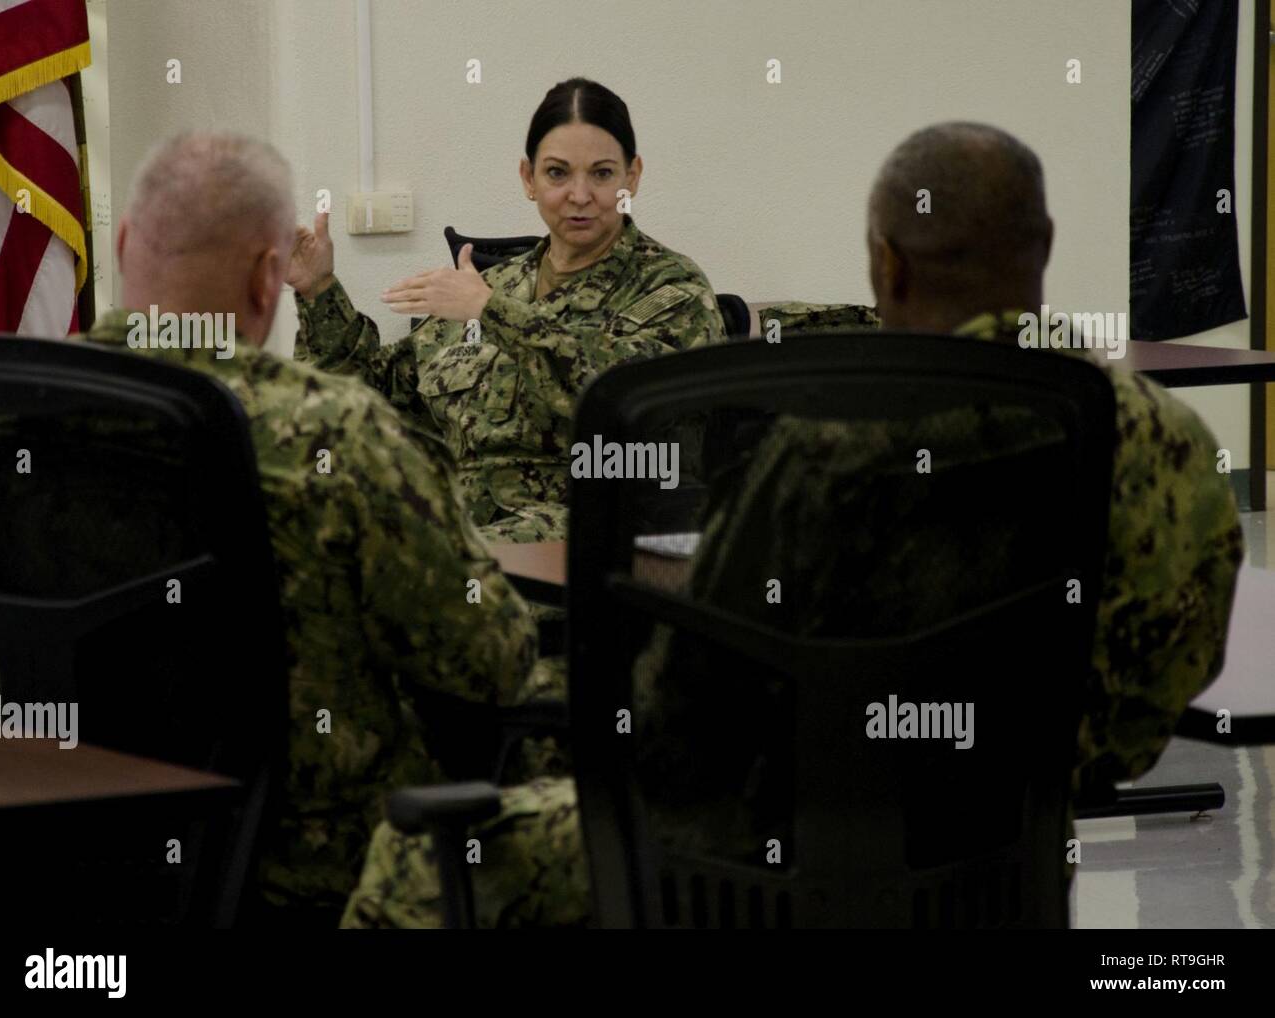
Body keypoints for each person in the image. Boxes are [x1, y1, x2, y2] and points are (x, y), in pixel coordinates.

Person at [340, 122, 1243, 928]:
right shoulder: (1163, 440)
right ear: (1045, 244)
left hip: (751, 862)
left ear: (884, 264)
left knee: (425, 854)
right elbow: (1157, 695)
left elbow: (687, 722)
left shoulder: (819, 453)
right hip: (1000, 863)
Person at [76, 132, 539, 924]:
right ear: (268, 279)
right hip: (314, 870)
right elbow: (491, 661)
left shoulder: (31, 408)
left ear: (121, 247)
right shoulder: (335, 432)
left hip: (66, 846)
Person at [288, 77, 727, 543]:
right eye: (558, 173)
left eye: (601, 174)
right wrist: (319, 291)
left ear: (632, 177)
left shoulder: (671, 288)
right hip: (456, 517)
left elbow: (621, 400)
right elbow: (373, 397)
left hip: (591, 529)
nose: (580, 195)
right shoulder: (496, 283)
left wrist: (492, 312)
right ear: (528, 179)